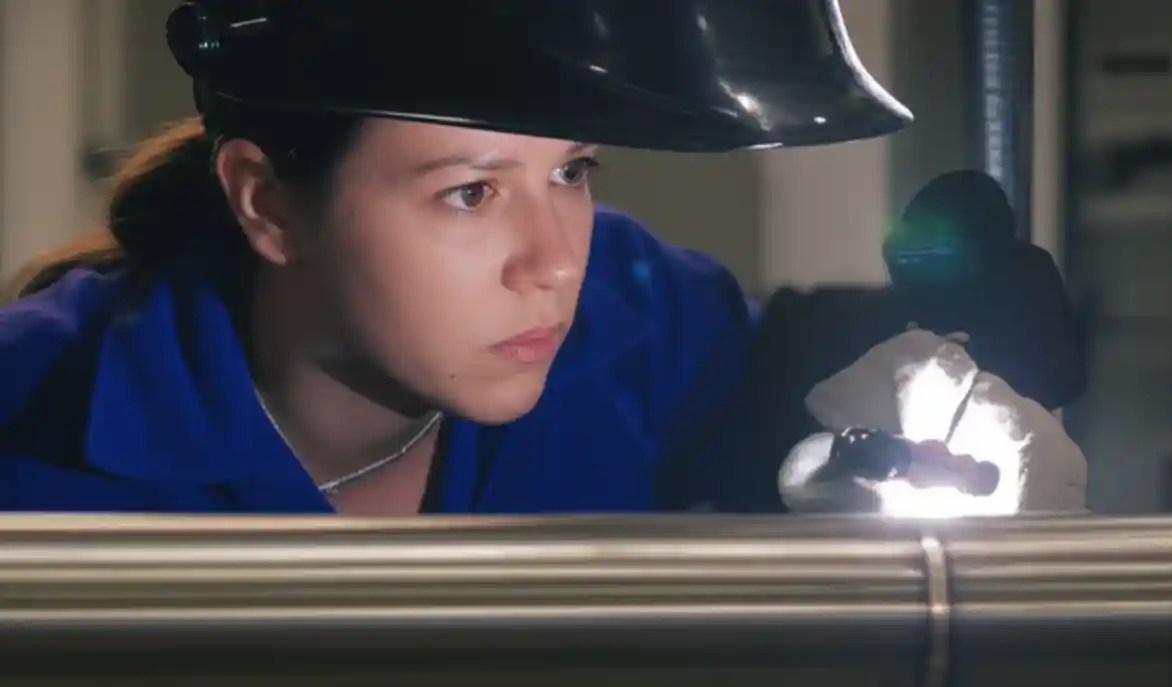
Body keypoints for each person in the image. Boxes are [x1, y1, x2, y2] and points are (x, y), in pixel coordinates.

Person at [0, 1, 915, 515]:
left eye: (570, 172)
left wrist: (941, 355)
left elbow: (781, 377)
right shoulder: (37, 427)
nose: (554, 265)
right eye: (470, 192)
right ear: (270, 204)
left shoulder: (631, 321)